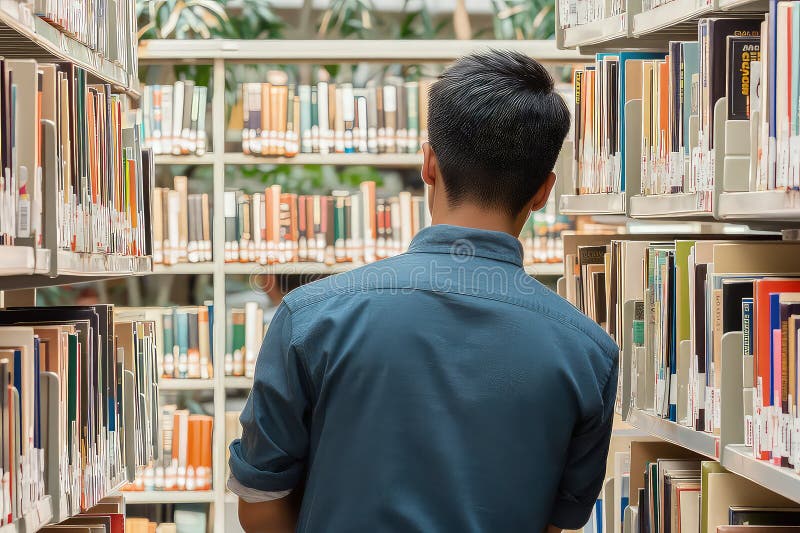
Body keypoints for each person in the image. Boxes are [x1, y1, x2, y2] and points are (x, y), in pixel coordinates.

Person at [228, 50, 619, 533]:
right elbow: (558, 524)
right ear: (543, 190)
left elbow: (260, 504)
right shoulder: (589, 353)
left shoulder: (310, 318)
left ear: (429, 165)